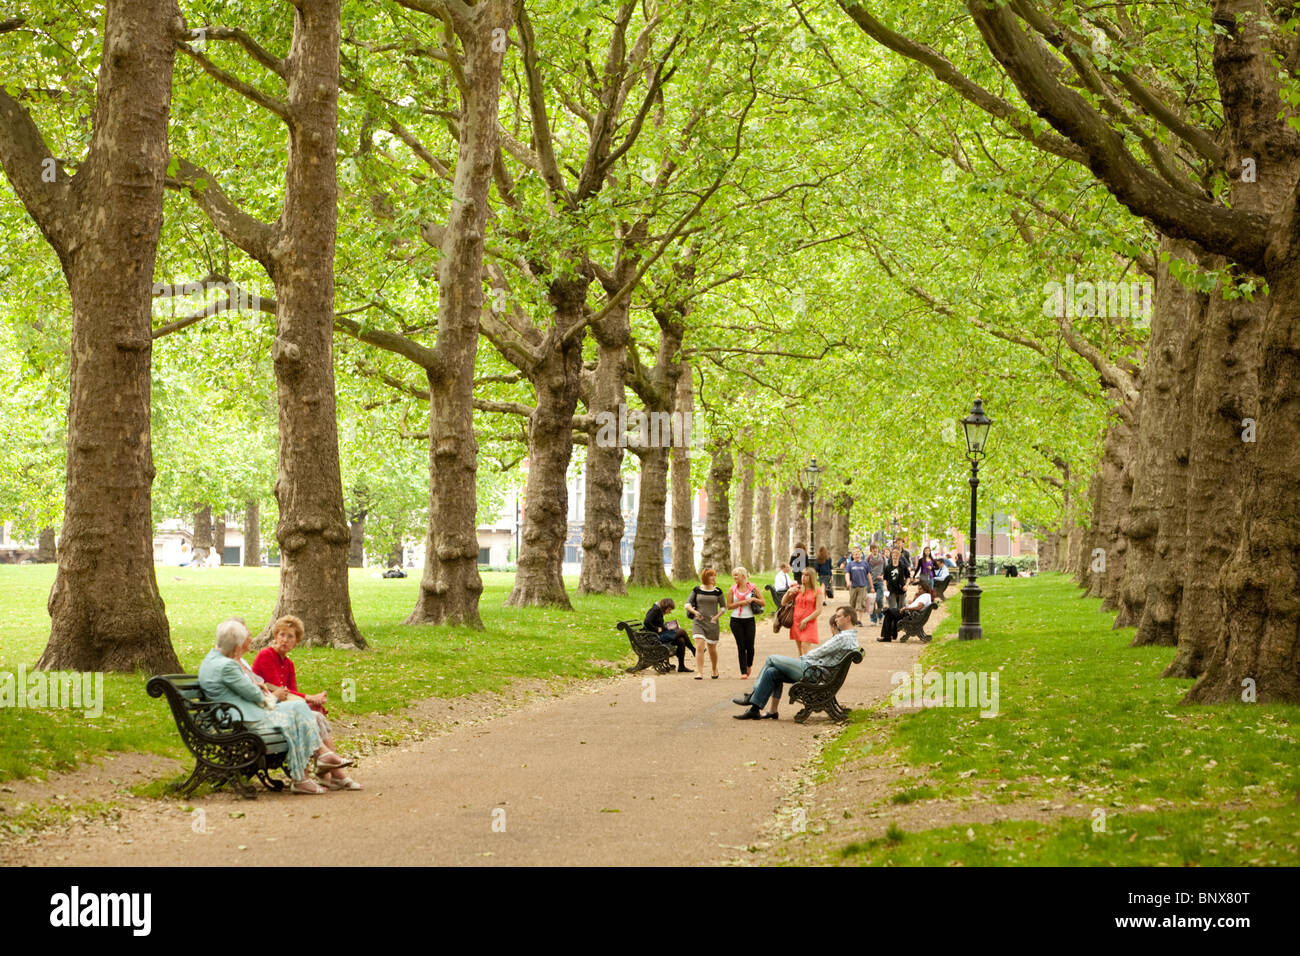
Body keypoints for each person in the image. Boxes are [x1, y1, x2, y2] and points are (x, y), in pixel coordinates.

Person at [198, 618, 351, 794]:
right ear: (235, 644)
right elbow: (255, 694)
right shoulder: (226, 666)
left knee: (303, 712)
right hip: (241, 719)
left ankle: (313, 768)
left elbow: (253, 690)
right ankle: (308, 772)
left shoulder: (214, 660)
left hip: (238, 714)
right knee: (300, 711)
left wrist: (258, 688)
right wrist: (260, 689)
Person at [253, 615, 361, 790]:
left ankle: (331, 774)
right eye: (281, 635)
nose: (285, 640)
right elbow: (277, 690)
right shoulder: (266, 655)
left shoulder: (288, 664)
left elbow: (290, 695)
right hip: (269, 709)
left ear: (296, 642)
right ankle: (334, 774)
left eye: (290, 636)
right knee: (314, 717)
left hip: (282, 708)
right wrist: (310, 697)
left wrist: (312, 701)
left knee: (317, 716)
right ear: (275, 636)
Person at [731, 606, 862, 719]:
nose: (836, 619)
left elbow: (820, 652)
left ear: (848, 618)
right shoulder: (848, 637)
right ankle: (764, 711)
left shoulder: (843, 637)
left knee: (771, 659)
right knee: (773, 672)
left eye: (839, 616)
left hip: (814, 672)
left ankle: (753, 695)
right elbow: (825, 653)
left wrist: (802, 659)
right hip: (821, 673)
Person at [685, 568, 725, 680]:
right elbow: (687, 604)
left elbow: (723, 608)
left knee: (712, 649)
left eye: (714, 576)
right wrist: (694, 612)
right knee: (699, 646)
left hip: (712, 623)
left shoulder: (718, 591)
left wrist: (717, 617)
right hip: (699, 622)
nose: (713, 578)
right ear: (705, 577)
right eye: (711, 576)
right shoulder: (697, 590)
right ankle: (700, 672)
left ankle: (714, 669)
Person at [726, 567, 764, 679]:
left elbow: (763, 602)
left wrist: (753, 600)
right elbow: (729, 606)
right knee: (741, 646)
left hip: (749, 620)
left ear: (743, 576)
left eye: (736, 575)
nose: (734, 577)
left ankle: (749, 665)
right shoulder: (732, 589)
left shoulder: (753, 588)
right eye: (733, 575)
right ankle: (743, 671)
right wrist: (741, 602)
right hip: (736, 620)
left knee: (750, 646)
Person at [644, 598, 694, 672]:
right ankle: (693, 650)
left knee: (681, 640)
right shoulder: (655, 610)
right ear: (665, 606)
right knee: (682, 631)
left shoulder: (659, 611)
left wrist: (668, 626)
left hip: (658, 635)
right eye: (669, 609)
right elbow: (646, 622)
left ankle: (681, 666)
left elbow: (658, 623)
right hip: (654, 638)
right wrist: (656, 629)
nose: (669, 612)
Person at [878, 579, 934, 643]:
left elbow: (918, 607)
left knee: (889, 612)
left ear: (925, 589)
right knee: (889, 614)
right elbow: (916, 605)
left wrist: (905, 609)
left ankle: (888, 635)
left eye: (920, 589)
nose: (919, 590)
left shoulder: (925, 596)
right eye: (918, 589)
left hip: (909, 615)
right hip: (911, 614)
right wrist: (915, 597)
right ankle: (888, 636)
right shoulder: (925, 596)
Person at [787, 567, 823, 657]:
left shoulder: (817, 591)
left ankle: (805, 669)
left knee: (805, 649)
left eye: (806, 575)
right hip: (796, 622)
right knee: (800, 652)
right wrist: (788, 592)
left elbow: (819, 610)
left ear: (812, 577)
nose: (803, 577)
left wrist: (805, 620)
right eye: (803, 574)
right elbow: (783, 602)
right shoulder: (798, 589)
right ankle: (800, 670)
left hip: (809, 623)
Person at [843, 547, 873, 618]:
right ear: (852, 556)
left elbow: (869, 575)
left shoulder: (865, 564)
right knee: (852, 604)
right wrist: (848, 582)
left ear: (860, 555)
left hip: (862, 587)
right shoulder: (850, 564)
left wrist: (872, 587)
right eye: (855, 554)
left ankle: (859, 620)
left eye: (858, 554)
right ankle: (853, 618)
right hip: (853, 587)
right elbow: (847, 574)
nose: (857, 556)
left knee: (860, 604)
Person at [865, 542, 886, 624]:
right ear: (871, 550)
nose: (875, 550)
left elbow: (886, 569)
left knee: (879, 600)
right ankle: (873, 619)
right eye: (873, 549)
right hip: (870, 582)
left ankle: (880, 616)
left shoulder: (882, 557)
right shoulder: (868, 558)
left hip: (879, 582)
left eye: (876, 548)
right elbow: (866, 570)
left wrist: (883, 576)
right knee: (871, 601)